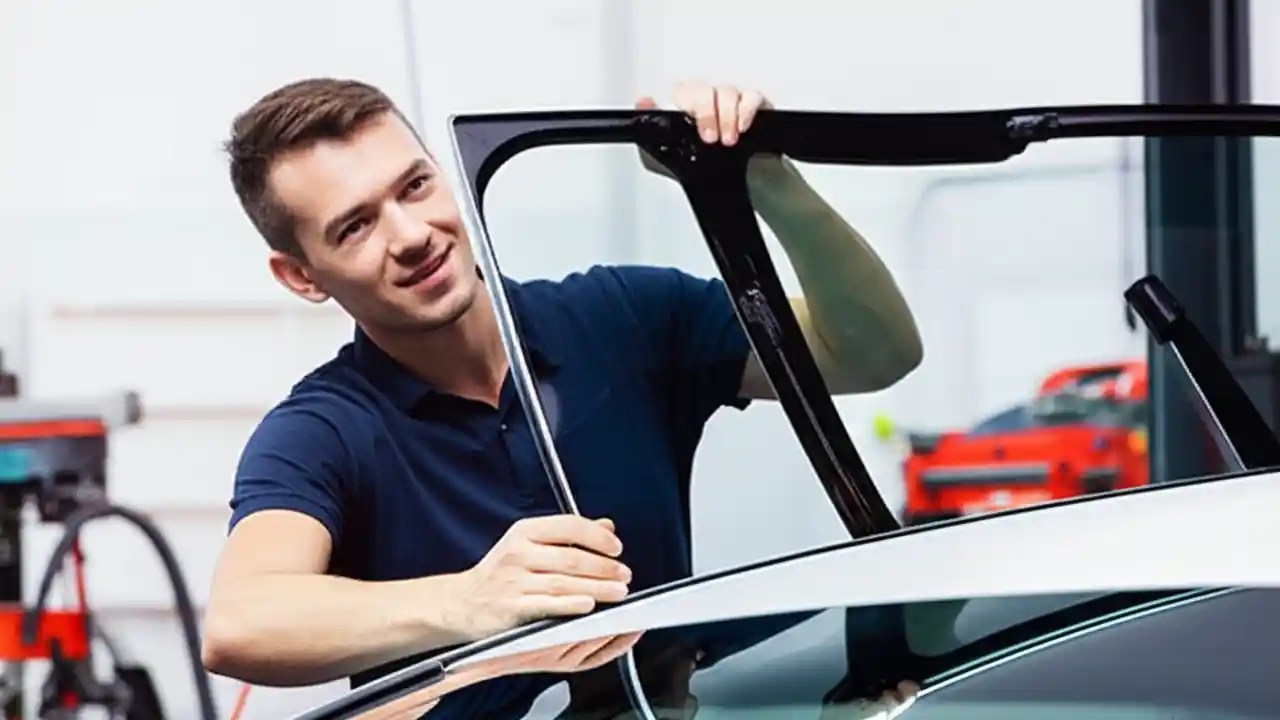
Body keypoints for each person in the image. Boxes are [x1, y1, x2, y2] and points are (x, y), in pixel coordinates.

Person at [200, 76, 923, 716]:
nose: (413, 234)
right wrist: (470, 601)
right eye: (355, 226)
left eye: (415, 186)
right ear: (302, 277)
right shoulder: (324, 428)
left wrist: (766, 182)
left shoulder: (623, 316)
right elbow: (242, 622)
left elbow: (872, 353)